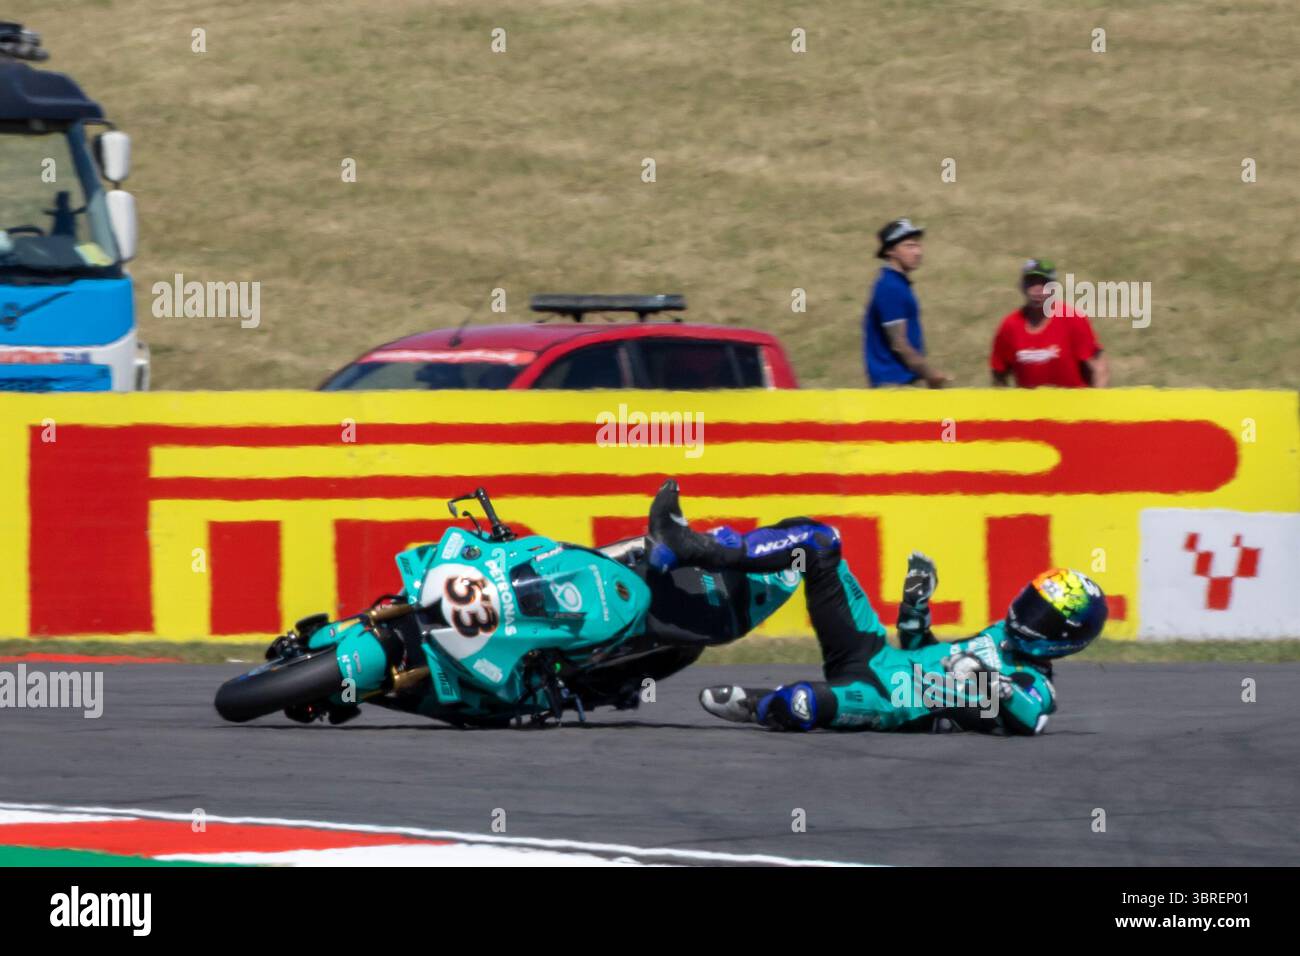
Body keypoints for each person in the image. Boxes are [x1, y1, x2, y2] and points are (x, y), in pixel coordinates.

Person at [646, 480, 1107, 735]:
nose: (1026, 616)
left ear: (1064, 640)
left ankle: (763, 702)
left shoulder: (1037, 685)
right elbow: (921, 649)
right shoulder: (997, 636)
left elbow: (1028, 718)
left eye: (1043, 615)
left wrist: (992, 683)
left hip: (887, 703)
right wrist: (916, 606)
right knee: (820, 541)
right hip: (874, 655)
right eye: (1032, 602)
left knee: (803, 704)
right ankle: (695, 546)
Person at [991, 259, 1109, 388]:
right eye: (1031, 283)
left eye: (1044, 283)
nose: (1037, 289)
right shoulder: (1010, 326)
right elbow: (999, 373)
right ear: (1022, 286)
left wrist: (1097, 404)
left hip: (1073, 405)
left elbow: (1099, 367)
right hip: (1029, 407)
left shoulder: (1072, 319)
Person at [862, 218, 950, 388]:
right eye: (909, 246)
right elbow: (899, 344)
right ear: (890, 251)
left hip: (902, 383)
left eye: (918, 245)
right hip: (894, 386)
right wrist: (931, 374)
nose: (918, 252)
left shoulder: (898, 284)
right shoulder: (890, 287)